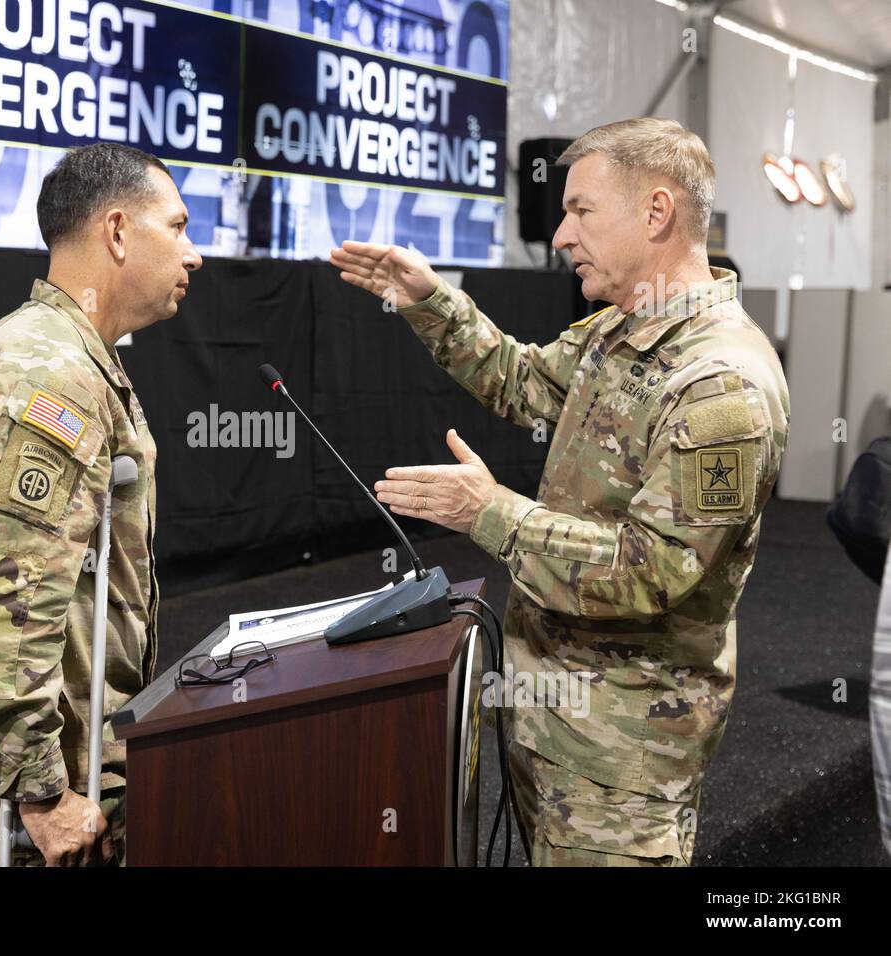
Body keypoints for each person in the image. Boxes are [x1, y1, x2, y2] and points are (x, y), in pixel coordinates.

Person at [332, 117, 790, 866]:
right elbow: (523, 382)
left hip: (624, 755)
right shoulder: (621, 329)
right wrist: (429, 299)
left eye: (581, 210)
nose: (562, 235)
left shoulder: (719, 386)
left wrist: (491, 514)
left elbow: (657, 569)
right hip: (558, 717)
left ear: (656, 212)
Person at [0, 142, 202, 866]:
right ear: (116, 233)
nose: (192, 254)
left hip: (70, 749)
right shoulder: (48, 373)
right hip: (39, 776)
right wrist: (42, 792)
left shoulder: (74, 357)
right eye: (177, 227)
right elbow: (4, 601)